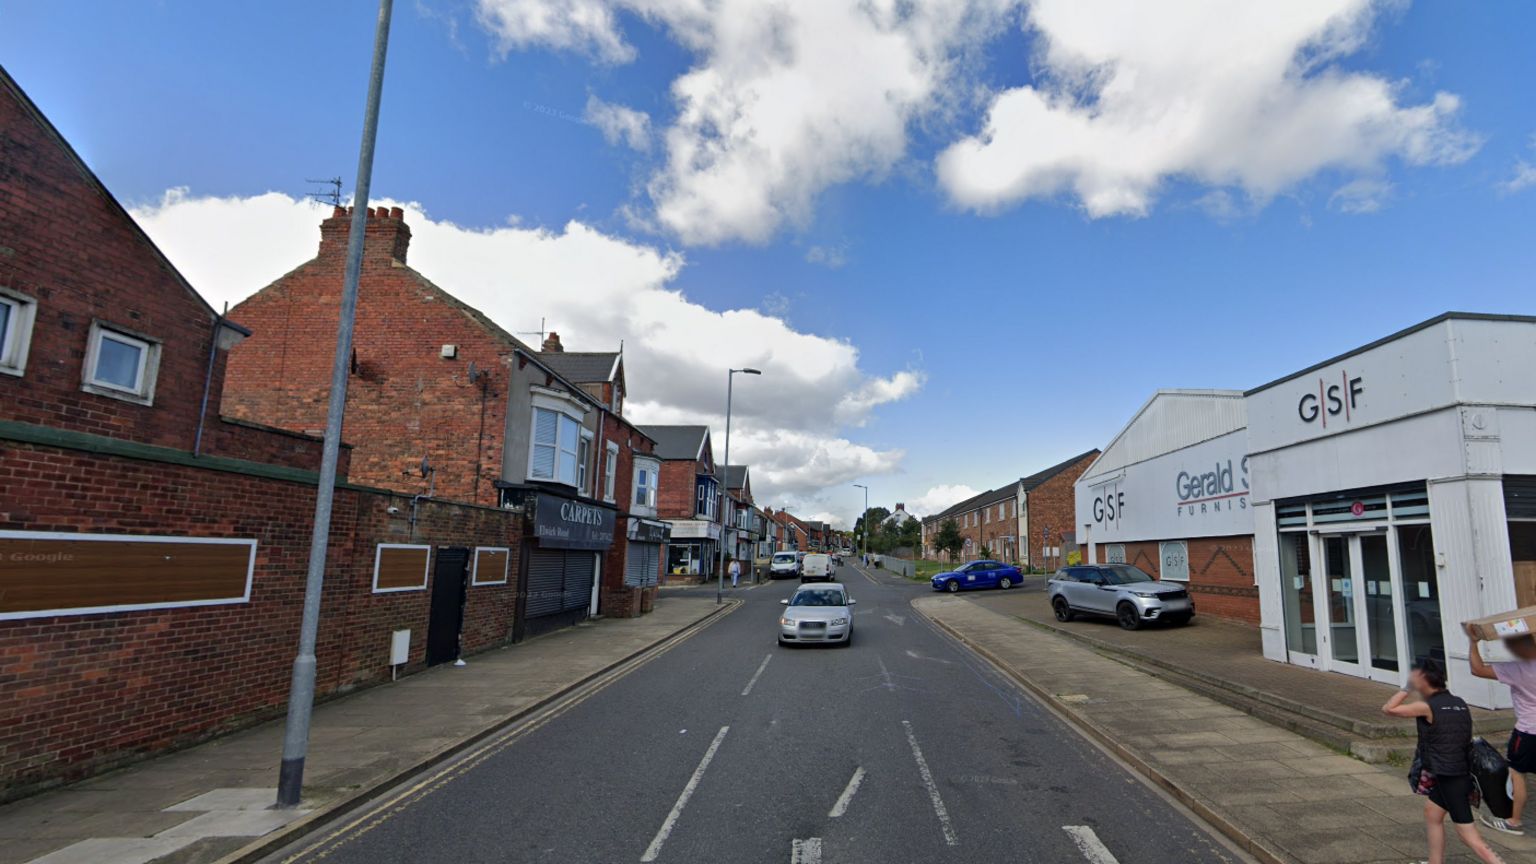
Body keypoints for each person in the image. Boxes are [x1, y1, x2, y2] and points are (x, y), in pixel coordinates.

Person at [1383, 659, 1506, 864]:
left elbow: (1389, 708)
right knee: (1432, 813)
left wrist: (1406, 688)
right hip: (1458, 772)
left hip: (1451, 779)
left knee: (1469, 835)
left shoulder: (1427, 706)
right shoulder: (1459, 702)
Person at [1467, 623, 1536, 834]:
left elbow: (1476, 669)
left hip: (1528, 732)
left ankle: (1513, 822)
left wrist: (1473, 642)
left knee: (1517, 773)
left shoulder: (1518, 669)